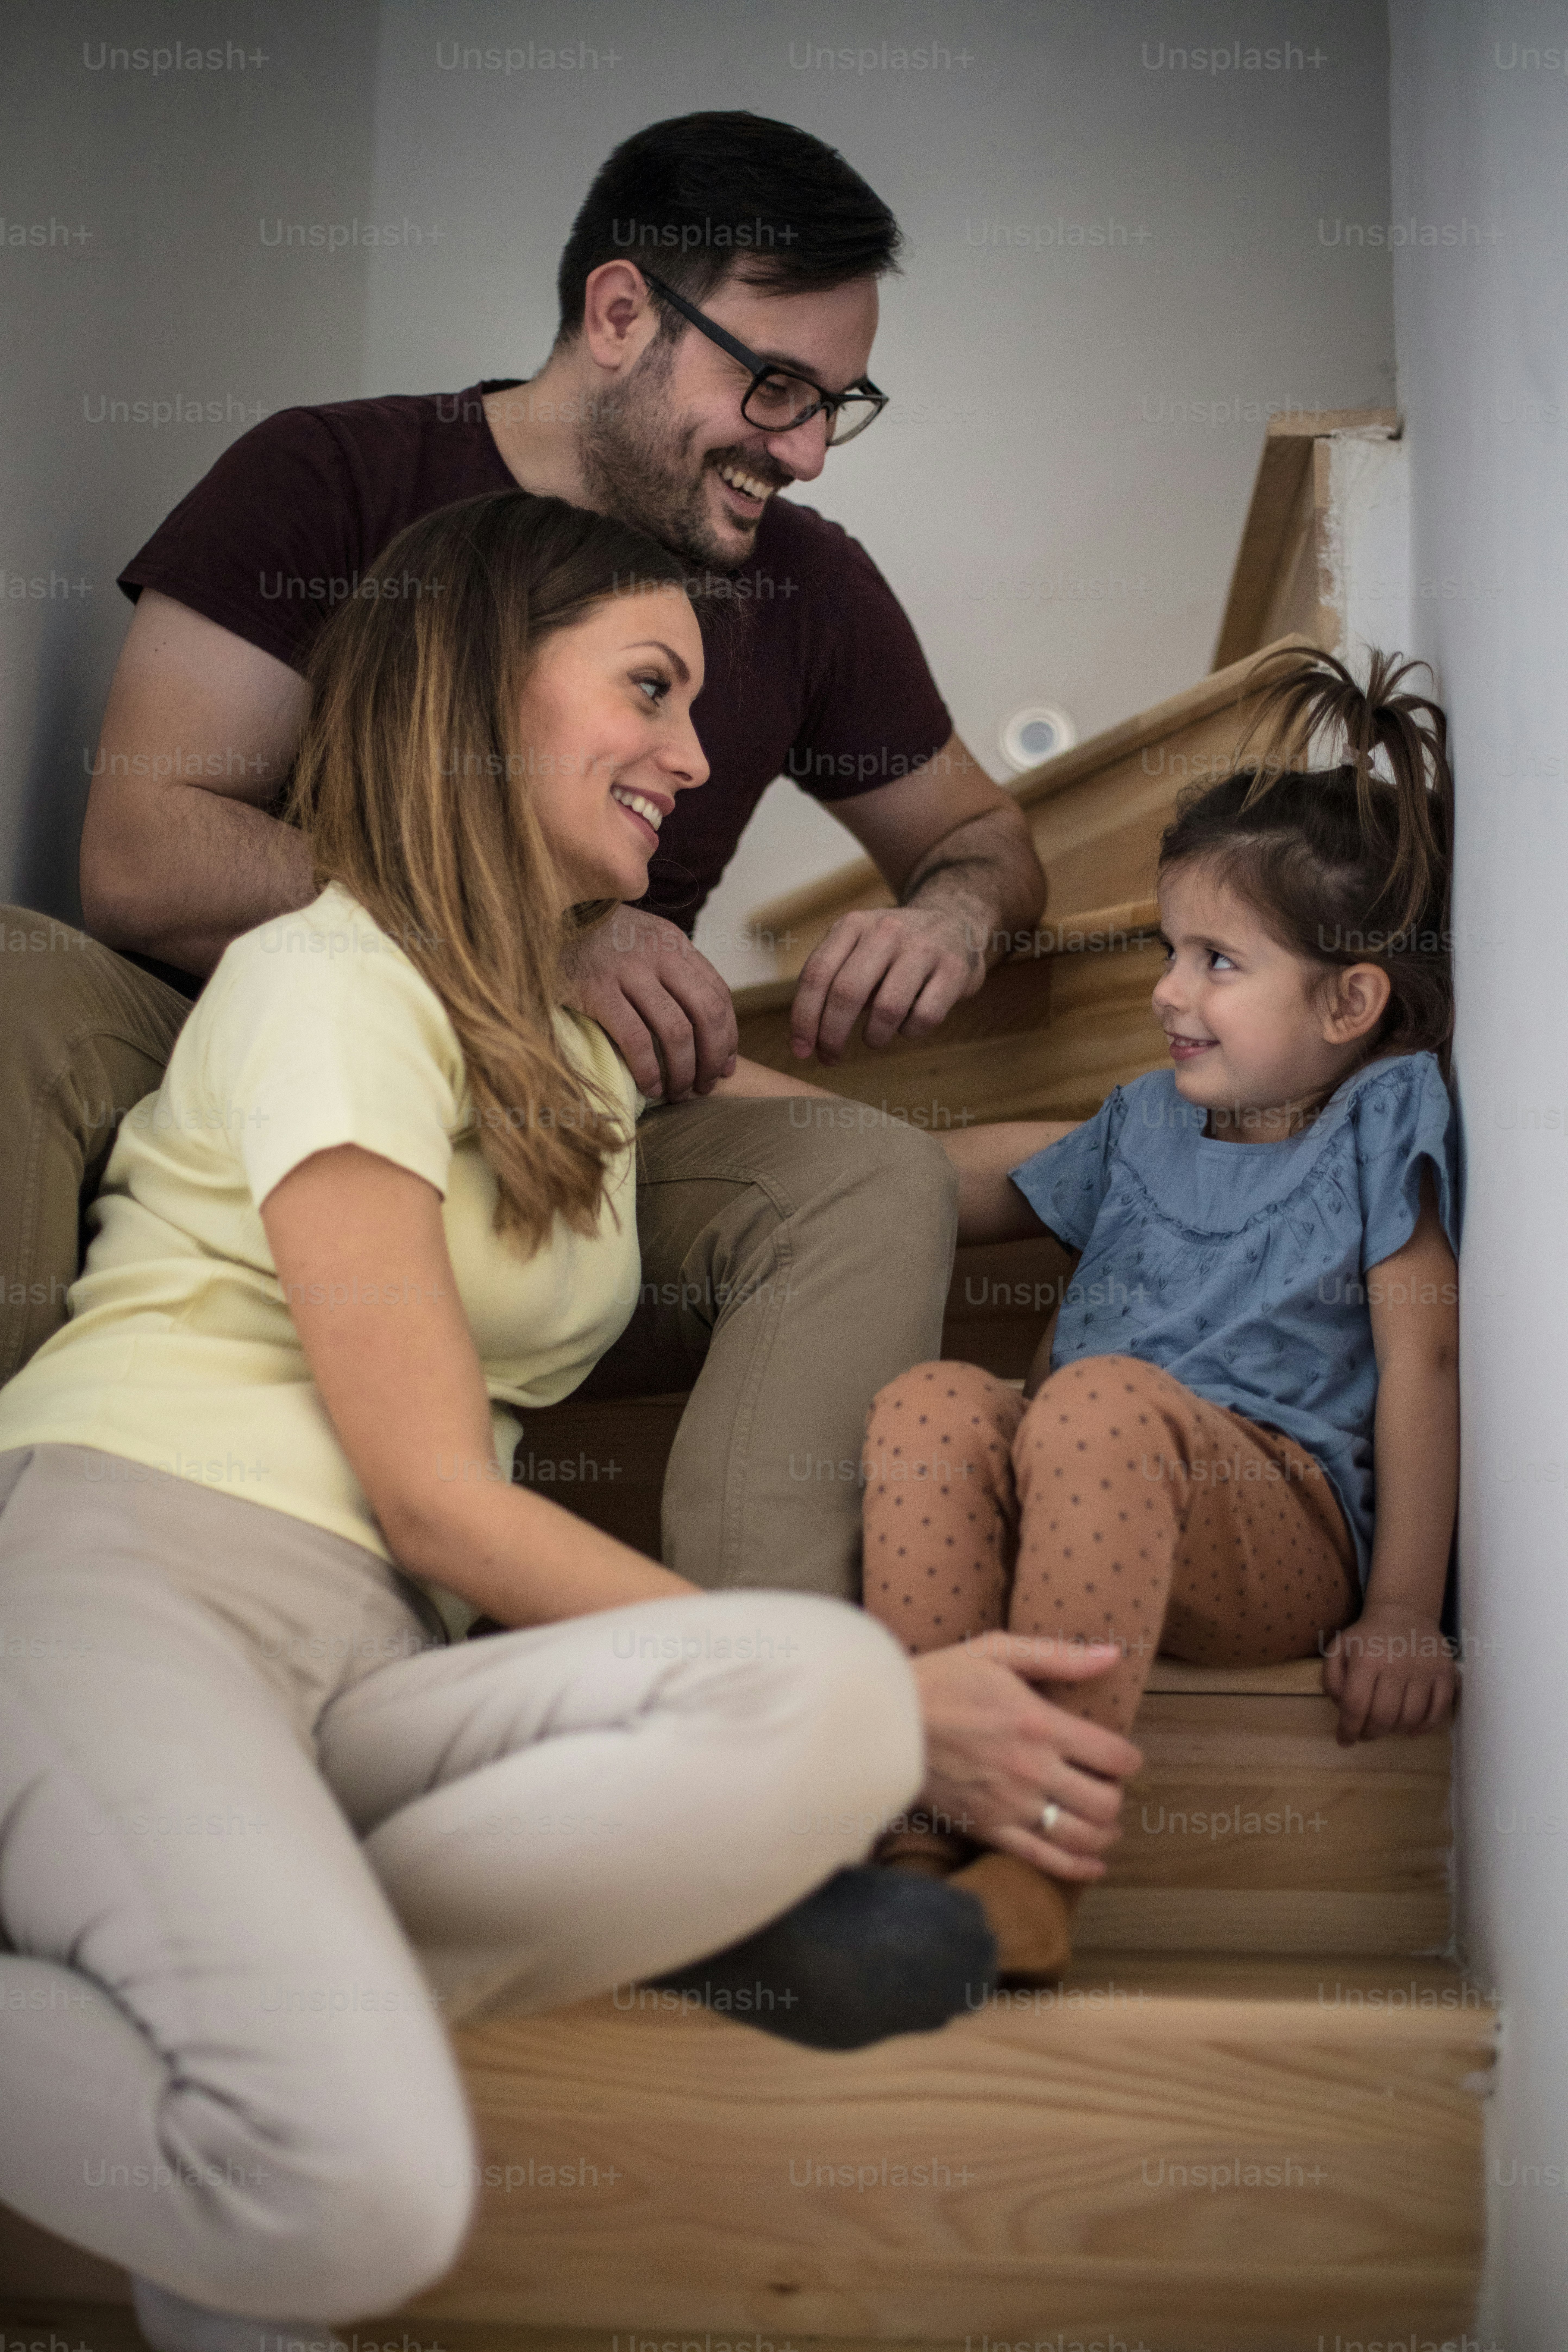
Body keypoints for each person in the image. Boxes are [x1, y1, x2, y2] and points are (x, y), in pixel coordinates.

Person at [0, 491, 1122, 2352]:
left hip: (367, 1671)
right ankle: (285, 2080)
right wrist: (917, 1706)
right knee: (355, 2194)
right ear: (473, 696)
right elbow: (438, 1497)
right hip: (141, 1575)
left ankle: (263, 2039)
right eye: (650, 690)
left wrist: (1227, 1130)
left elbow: (927, 1176)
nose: (693, 757)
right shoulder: (328, 981)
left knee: (817, 1699)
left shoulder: (574, 1048)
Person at [0, 108, 1046, 1608]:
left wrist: (955, 912)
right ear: (621, 313)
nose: (807, 450)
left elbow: (984, 839)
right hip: (232, 1034)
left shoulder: (807, 588)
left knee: (870, 1174)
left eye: (838, 403)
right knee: (17, 980)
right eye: (773, 386)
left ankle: (772, 1704)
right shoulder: (328, 478)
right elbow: (147, 853)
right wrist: (528, 936)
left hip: (571, 1103)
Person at [864, 648, 1462, 1979]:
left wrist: (1408, 1607)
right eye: (1164, 948)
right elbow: (944, 1178)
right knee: (931, 1400)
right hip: (1083, 1479)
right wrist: (762, 1127)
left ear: (1349, 998)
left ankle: (1037, 1856)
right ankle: (921, 1840)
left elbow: (1424, 1354)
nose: (1166, 991)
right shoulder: (1143, 1116)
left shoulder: (1382, 1115)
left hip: (1274, 1525)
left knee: (1096, 1398)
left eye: (1216, 960)